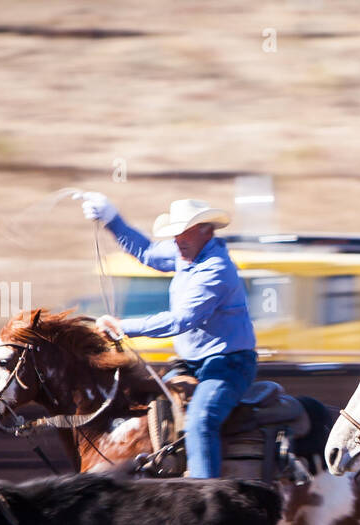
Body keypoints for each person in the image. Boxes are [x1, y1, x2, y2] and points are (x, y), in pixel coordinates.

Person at [75, 192, 257, 479]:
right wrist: (112, 219)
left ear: (205, 231)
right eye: (174, 234)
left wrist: (123, 326)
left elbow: (183, 319)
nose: (177, 240)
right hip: (192, 363)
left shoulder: (216, 269)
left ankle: (205, 494)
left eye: (183, 232)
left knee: (200, 421)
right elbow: (146, 252)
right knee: (149, 413)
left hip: (228, 365)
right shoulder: (186, 254)